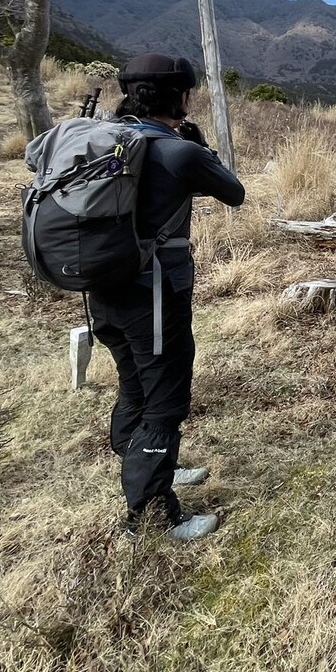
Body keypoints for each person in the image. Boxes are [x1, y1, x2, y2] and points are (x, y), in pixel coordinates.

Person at [89, 53, 245, 541]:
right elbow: (233, 192)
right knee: (164, 400)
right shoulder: (178, 151)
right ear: (180, 96)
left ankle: (147, 463)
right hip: (154, 295)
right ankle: (153, 515)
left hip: (100, 287)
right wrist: (198, 146)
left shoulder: (100, 141)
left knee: (133, 380)